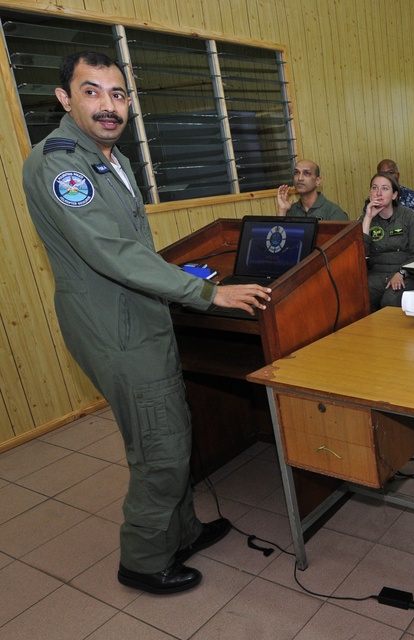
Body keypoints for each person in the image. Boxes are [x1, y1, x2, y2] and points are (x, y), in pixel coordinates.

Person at [22, 52, 271, 594]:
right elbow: (112, 254)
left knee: (171, 429)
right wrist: (207, 293)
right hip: (117, 325)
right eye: (92, 92)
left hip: (141, 312)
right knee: (159, 446)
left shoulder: (111, 157)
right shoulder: (62, 165)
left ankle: (180, 531)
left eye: (117, 94)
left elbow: (133, 247)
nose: (108, 106)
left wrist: (177, 279)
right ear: (65, 99)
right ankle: (142, 558)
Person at [361, 173, 414, 311]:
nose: (378, 193)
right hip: (376, 275)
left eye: (384, 188)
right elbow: (360, 254)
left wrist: (401, 272)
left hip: (406, 274)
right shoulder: (366, 219)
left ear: (394, 195)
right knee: (358, 297)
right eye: (374, 188)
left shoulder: (410, 217)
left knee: (390, 300)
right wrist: (368, 218)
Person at [276, 159, 349, 220]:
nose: (300, 178)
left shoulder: (333, 212)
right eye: (296, 173)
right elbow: (278, 235)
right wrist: (282, 210)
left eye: (307, 173)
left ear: (318, 181)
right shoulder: (291, 211)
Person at [376, 159, 414, 228]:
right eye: (383, 174)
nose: (387, 177)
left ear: (398, 175)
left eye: (391, 172)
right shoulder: (373, 200)